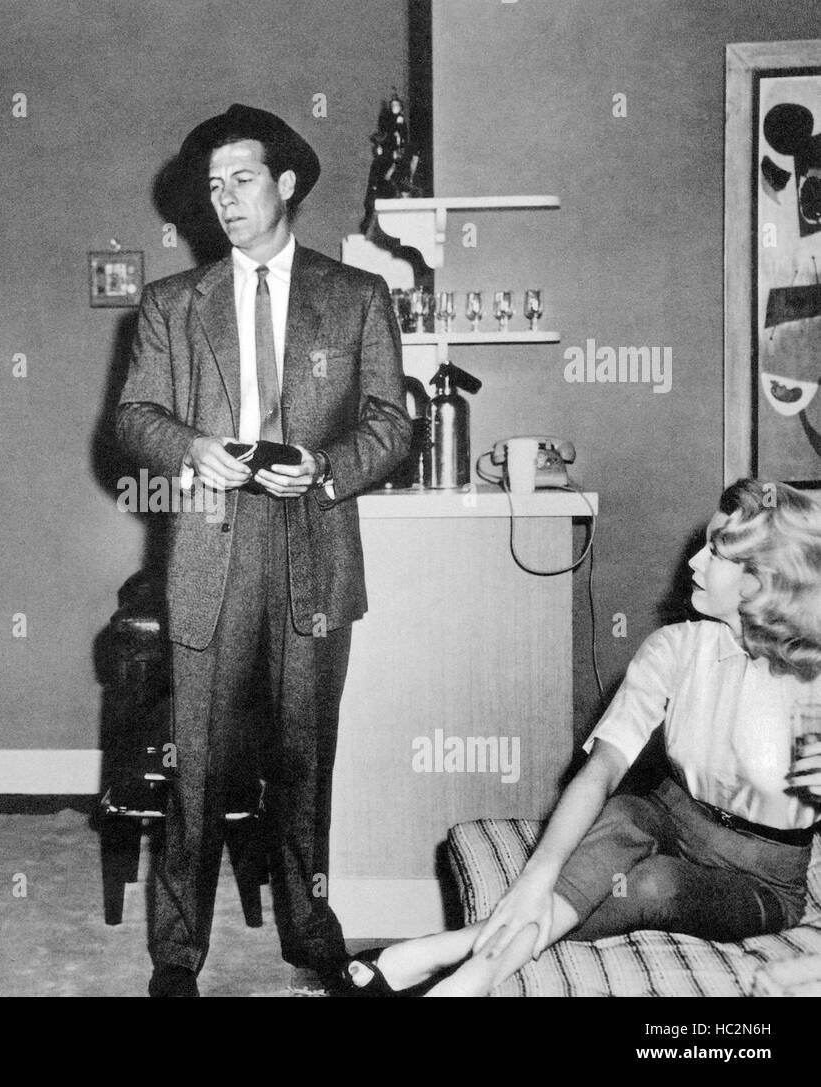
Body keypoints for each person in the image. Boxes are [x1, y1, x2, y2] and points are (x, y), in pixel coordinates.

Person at [116, 104, 411, 996]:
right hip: (211, 546)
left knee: (304, 756)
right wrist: (190, 449)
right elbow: (133, 416)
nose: (225, 199)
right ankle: (177, 953)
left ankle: (310, 926)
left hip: (314, 542)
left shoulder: (357, 295)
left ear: (285, 185)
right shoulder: (173, 304)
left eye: (241, 180)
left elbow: (393, 424)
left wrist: (324, 468)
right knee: (196, 763)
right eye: (213, 186)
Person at [345, 479, 821, 996]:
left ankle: (449, 954)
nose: (694, 561)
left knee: (653, 884)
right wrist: (533, 882)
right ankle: (471, 983)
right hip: (671, 813)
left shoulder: (813, 681)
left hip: (761, 874)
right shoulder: (676, 647)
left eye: (717, 551)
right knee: (621, 813)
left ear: (763, 577)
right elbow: (601, 770)